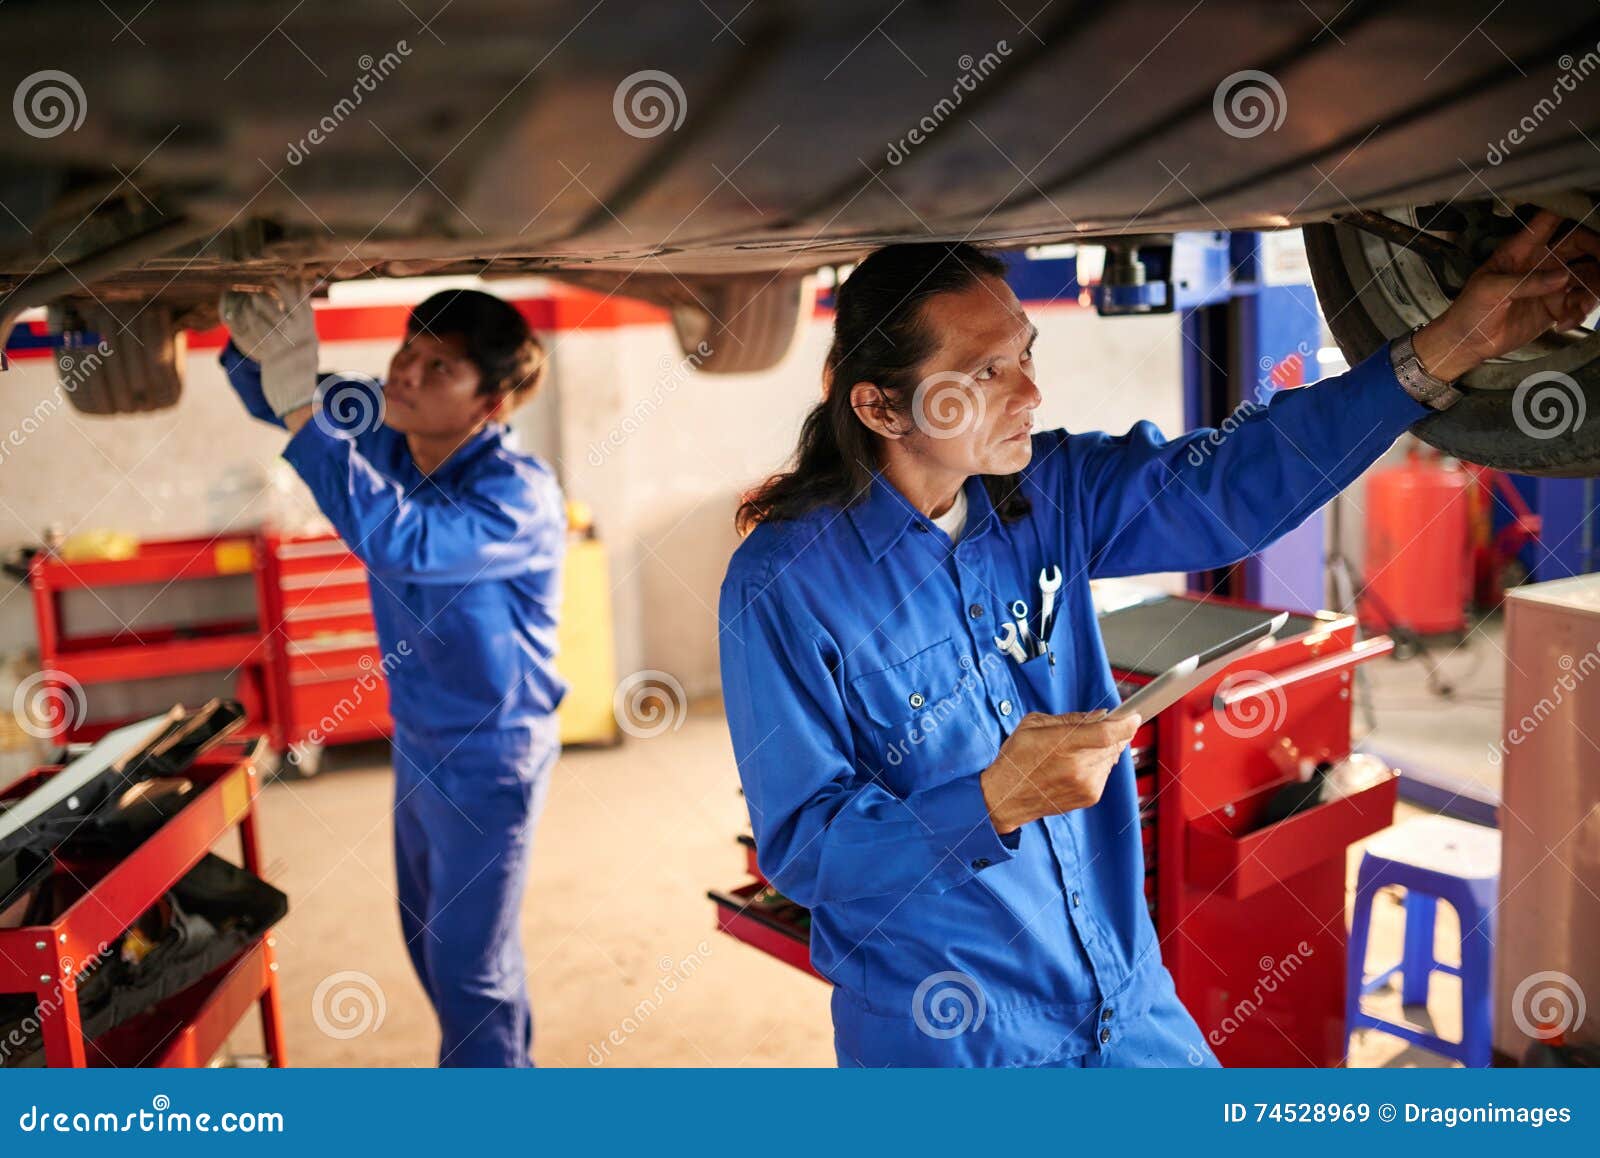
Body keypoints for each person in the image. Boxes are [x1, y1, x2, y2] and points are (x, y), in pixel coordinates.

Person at [718, 212, 1600, 1067]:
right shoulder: (784, 585)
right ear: (879, 406)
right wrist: (990, 800)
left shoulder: (1048, 491)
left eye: (1026, 354)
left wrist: (1455, 341)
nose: (1030, 392)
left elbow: (1231, 483)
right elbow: (805, 849)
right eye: (986, 373)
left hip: (1125, 1000)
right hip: (957, 1043)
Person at [219, 282, 567, 1067]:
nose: (406, 373)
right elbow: (275, 394)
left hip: (492, 753)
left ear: (491, 402)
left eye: (439, 368)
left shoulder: (516, 495)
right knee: (429, 940)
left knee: (468, 965)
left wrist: (306, 411)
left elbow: (405, 543)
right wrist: (253, 341)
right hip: (420, 739)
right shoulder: (388, 430)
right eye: (407, 351)